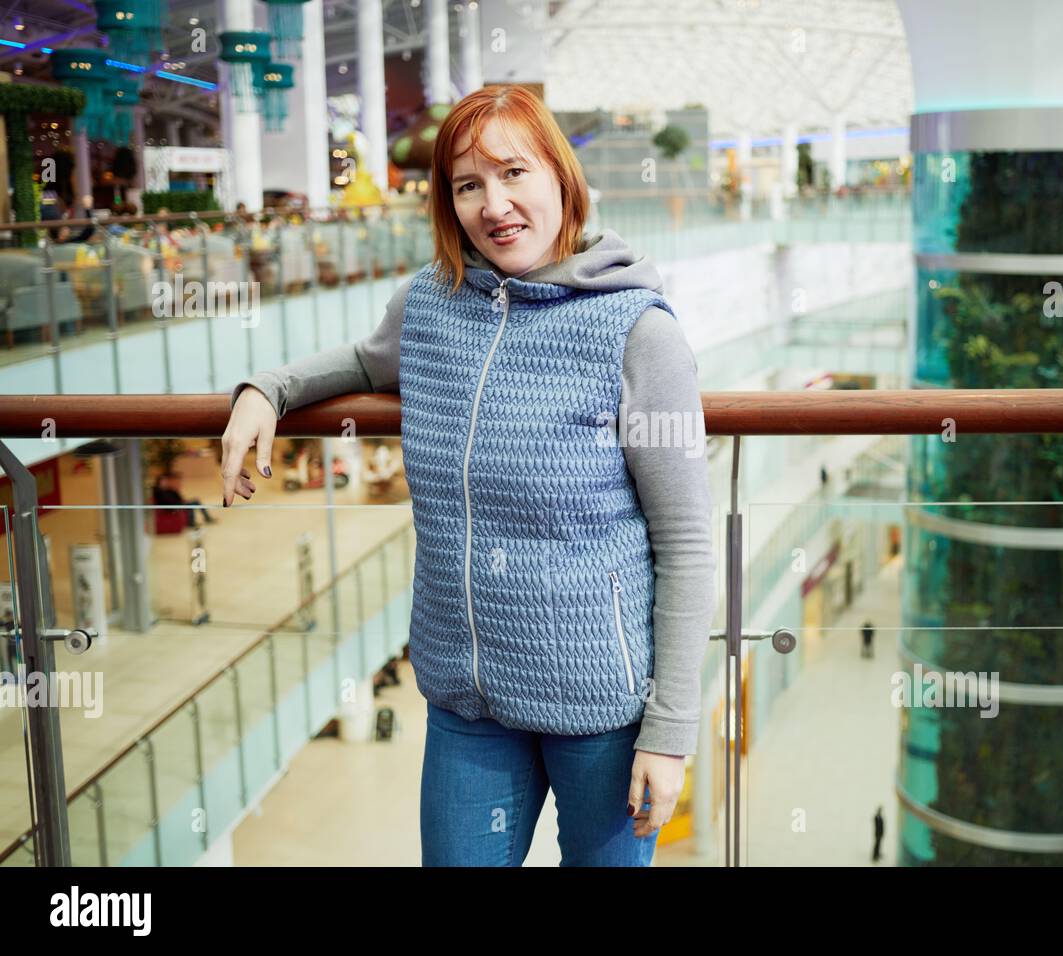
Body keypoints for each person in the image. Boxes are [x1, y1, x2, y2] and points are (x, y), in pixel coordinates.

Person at [219, 85, 715, 867]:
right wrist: (267, 389)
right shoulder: (432, 304)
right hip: (467, 699)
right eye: (468, 185)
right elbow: (359, 362)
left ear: (560, 176)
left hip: (601, 711)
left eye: (514, 173)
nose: (495, 205)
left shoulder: (637, 331)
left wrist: (671, 731)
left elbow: (686, 544)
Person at [152, 472, 216, 528]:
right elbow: (167, 501)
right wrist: (181, 501)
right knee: (191, 505)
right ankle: (191, 522)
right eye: (163, 481)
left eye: (165, 481)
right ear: (159, 482)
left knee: (196, 501)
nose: (165, 482)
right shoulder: (159, 491)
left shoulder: (167, 489)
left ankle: (206, 518)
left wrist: (182, 500)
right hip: (172, 507)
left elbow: (177, 497)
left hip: (177, 504)